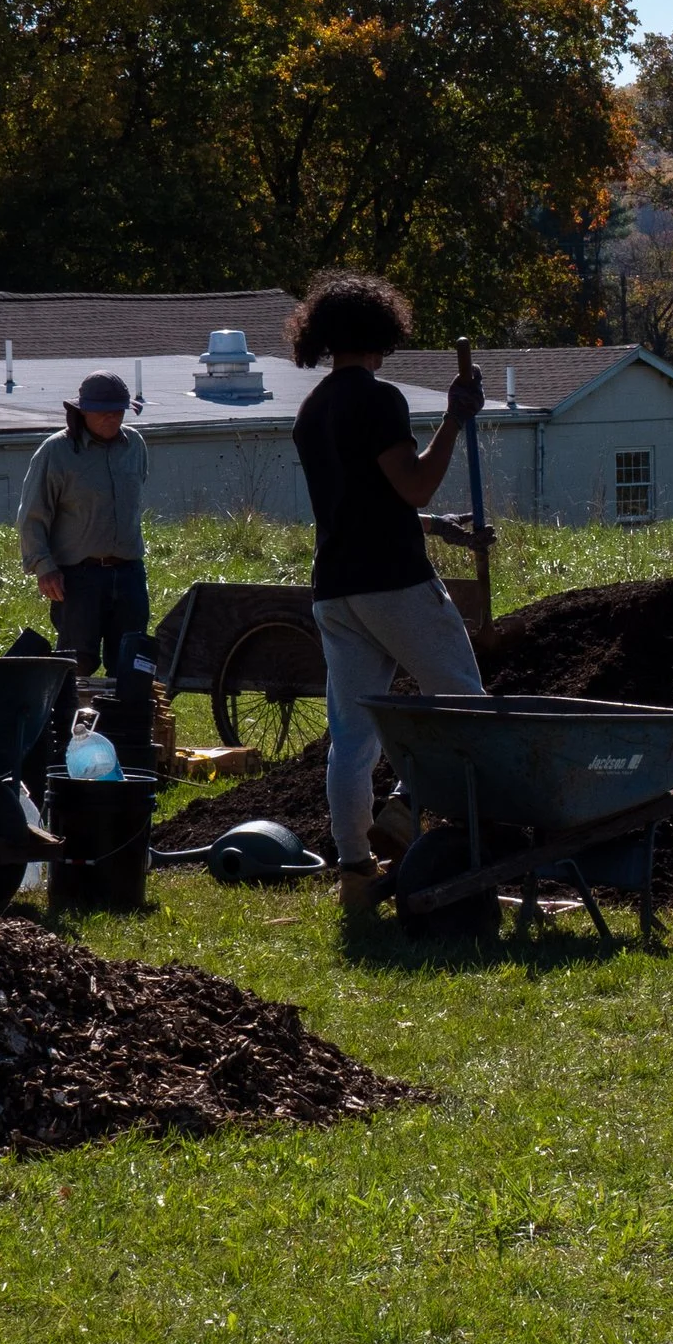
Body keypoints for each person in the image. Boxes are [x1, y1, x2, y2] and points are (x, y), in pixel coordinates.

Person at [286, 272, 493, 910]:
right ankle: (407, 808)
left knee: (352, 734)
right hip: (395, 580)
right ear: (381, 331)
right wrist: (455, 419)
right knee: (464, 703)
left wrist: (438, 528)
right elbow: (413, 487)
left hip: (336, 588)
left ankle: (354, 871)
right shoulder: (378, 400)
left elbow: (365, 499)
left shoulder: (312, 408)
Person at [18, 371, 149, 675]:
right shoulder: (56, 452)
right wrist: (44, 567)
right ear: (83, 412)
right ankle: (73, 722)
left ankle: (123, 722)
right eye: (105, 412)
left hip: (128, 572)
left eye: (119, 411)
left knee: (131, 662)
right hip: (78, 578)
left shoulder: (135, 446)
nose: (113, 418)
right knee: (78, 662)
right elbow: (33, 515)